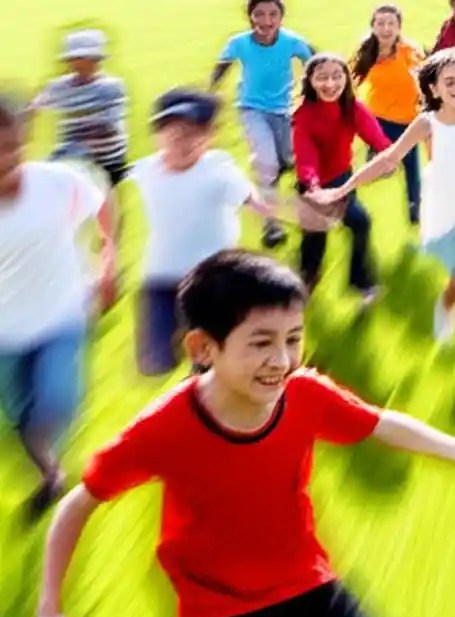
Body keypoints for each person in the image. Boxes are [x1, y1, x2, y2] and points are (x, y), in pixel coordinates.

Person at [17, 249, 455, 617]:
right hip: (217, 615)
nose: (281, 360)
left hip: (304, 580)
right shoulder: (165, 427)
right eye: (261, 343)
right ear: (203, 347)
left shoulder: (302, 394)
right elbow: (79, 503)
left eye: (293, 339)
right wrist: (49, 612)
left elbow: (378, 423)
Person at [312, 49, 455, 342]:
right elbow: (389, 158)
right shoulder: (427, 124)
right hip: (447, 205)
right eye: (450, 82)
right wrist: (341, 189)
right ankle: (445, 305)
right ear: (434, 88)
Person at [0, 92, 115, 519]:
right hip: (5, 333)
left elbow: (101, 201)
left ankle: (54, 470)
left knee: (53, 405)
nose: (4, 158)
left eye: (11, 146)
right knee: (20, 419)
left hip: (62, 317)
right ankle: (50, 476)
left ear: (23, 141)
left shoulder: (56, 181)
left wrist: (109, 256)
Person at [127, 88, 274, 376]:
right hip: (161, 278)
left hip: (211, 280)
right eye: (174, 132)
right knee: (155, 363)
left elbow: (249, 197)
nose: (182, 141)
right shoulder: (145, 169)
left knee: (207, 360)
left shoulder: (218, 169)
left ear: (210, 136)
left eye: (193, 134)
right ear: (158, 135)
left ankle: (204, 397)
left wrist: (269, 216)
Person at [210, 0, 314, 249]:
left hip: (286, 110)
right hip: (251, 109)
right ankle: (271, 226)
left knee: (289, 159)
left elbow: (315, 59)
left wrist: (316, 90)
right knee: (266, 162)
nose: (266, 21)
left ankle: (287, 184)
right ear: (250, 16)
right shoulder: (239, 43)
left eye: (272, 14)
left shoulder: (292, 41)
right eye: (259, 14)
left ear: (281, 17)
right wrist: (211, 94)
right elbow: (221, 67)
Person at [293, 53, 391, 303]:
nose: (330, 84)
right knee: (315, 241)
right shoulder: (304, 115)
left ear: (346, 79)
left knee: (360, 223)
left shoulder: (352, 108)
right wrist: (314, 189)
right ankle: (305, 281)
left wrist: (388, 157)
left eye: (337, 77)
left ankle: (361, 281)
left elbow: (377, 138)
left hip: (341, 182)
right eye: (322, 78)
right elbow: (306, 157)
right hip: (311, 187)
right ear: (311, 81)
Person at [28, 29, 128, 241]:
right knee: (61, 201)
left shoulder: (111, 88)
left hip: (106, 157)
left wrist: (82, 142)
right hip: (71, 156)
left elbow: (109, 125)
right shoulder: (59, 87)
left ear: (97, 59)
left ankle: (110, 245)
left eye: (86, 58)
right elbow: (36, 105)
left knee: (108, 205)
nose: (80, 63)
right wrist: (28, 112)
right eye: (75, 58)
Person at [350, 4, 426, 224]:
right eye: (380, 23)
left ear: (399, 27)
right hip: (378, 119)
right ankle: (346, 195)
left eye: (391, 23)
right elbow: (349, 80)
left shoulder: (409, 50)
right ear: (373, 26)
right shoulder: (365, 51)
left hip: (408, 119)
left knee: (412, 166)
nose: (386, 29)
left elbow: (423, 75)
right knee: (382, 168)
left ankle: (415, 212)